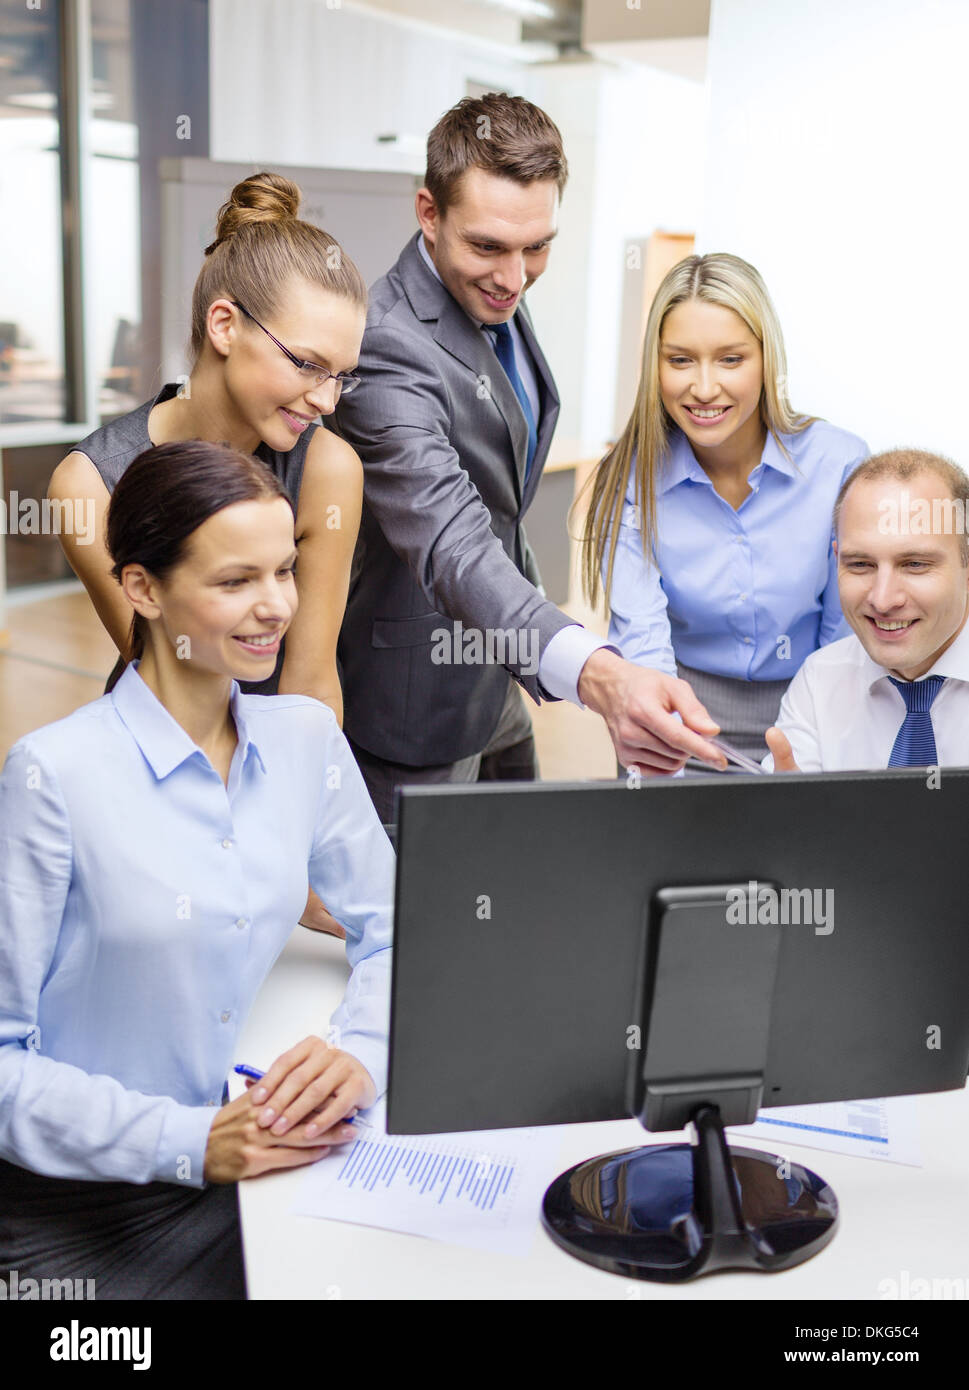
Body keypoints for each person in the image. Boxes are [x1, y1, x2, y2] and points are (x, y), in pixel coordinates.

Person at [0, 442, 393, 1300]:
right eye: (235, 581)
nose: (275, 605)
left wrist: (361, 1053)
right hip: (87, 1203)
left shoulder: (304, 740)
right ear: (142, 589)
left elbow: (401, 930)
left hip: (265, 1165)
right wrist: (189, 1143)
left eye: (284, 570)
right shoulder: (52, 776)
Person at [332, 92, 726, 824]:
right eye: (487, 247)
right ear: (428, 213)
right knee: (411, 896)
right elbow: (451, 541)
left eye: (536, 247)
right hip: (415, 699)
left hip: (501, 675)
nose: (514, 278)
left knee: (512, 872)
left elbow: (500, 502)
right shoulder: (385, 343)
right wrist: (599, 676)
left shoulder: (494, 291)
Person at [49, 169, 366, 936]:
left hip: (279, 786)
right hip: (159, 777)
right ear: (225, 325)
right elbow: (170, 679)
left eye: (341, 377)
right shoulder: (89, 485)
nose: (325, 399)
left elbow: (311, 685)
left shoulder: (327, 468)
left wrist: (304, 848)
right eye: (306, 364)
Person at [582, 253, 869, 763]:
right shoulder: (629, 478)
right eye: (680, 360)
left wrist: (808, 761)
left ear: (767, 359)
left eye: (731, 359)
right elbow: (644, 644)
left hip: (814, 718)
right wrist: (669, 758)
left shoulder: (839, 465)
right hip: (674, 718)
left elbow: (842, 644)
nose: (704, 387)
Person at [764, 449, 969, 772]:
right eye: (860, 564)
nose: (883, 600)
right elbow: (790, 797)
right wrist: (785, 802)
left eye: (915, 564)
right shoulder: (820, 680)